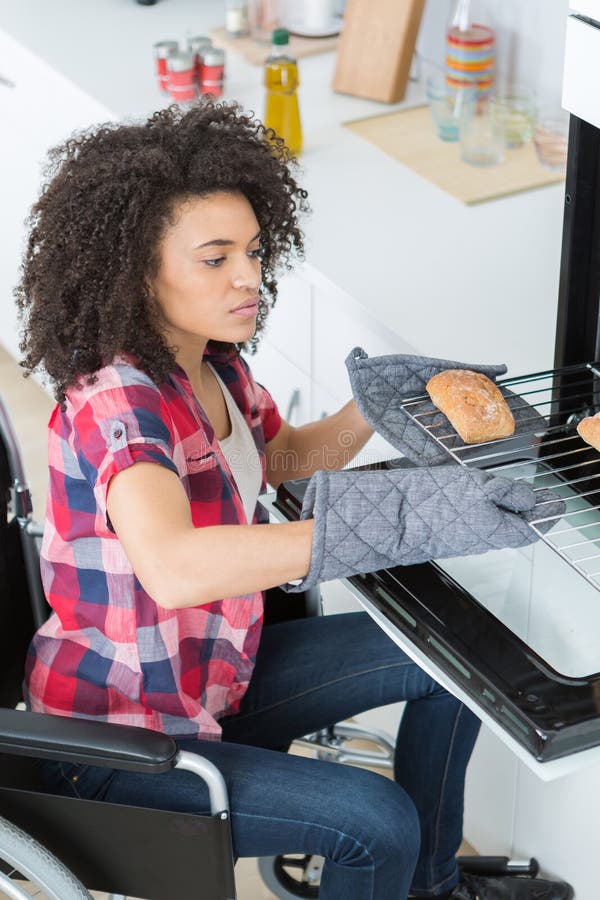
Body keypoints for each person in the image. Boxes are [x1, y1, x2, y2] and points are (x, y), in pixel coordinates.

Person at [16, 100, 571, 900]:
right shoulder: (117, 401)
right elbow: (172, 565)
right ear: (138, 270)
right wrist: (402, 517)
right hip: (118, 737)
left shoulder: (213, 363)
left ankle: (430, 888)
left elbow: (269, 460)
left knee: (464, 663)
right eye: (215, 259)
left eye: (252, 249)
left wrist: (366, 412)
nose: (250, 276)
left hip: (216, 678)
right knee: (374, 822)